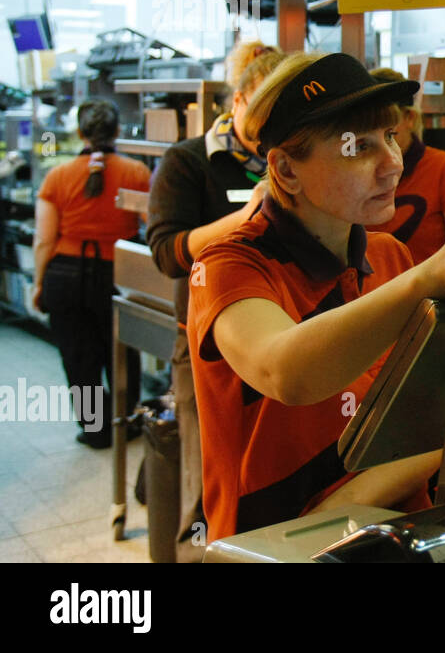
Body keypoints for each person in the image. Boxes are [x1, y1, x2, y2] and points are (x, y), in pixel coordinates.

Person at [186, 53, 445, 541]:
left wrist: (359, 496)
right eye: (357, 146)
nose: (392, 165)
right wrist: (430, 276)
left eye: (391, 138)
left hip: (391, 530)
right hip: (272, 547)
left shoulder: (387, 255)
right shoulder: (229, 266)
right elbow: (286, 371)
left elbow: (436, 414)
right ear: (286, 170)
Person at [146, 44, 284, 560]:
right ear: (240, 100)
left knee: (267, 482)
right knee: (207, 487)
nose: (273, 128)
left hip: (281, 338)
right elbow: (167, 253)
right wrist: (249, 215)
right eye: (265, 112)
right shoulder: (188, 162)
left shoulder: (289, 159)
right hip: (207, 350)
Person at [33, 100, 152, 448]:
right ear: (116, 131)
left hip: (65, 277)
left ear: (80, 133)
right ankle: (124, 423)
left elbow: (44, 239)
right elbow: (153, 226)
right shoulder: (137, 173)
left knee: (78, 357)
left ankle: (95, 431)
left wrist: (41, 283)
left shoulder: (57, 176)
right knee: (123, 353)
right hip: (118, 275)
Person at [368, 67, 445, 263]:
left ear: (409, 118)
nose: (374, 132)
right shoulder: (354, 175)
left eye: (389, 130)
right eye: (367, 123)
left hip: (432, 293)